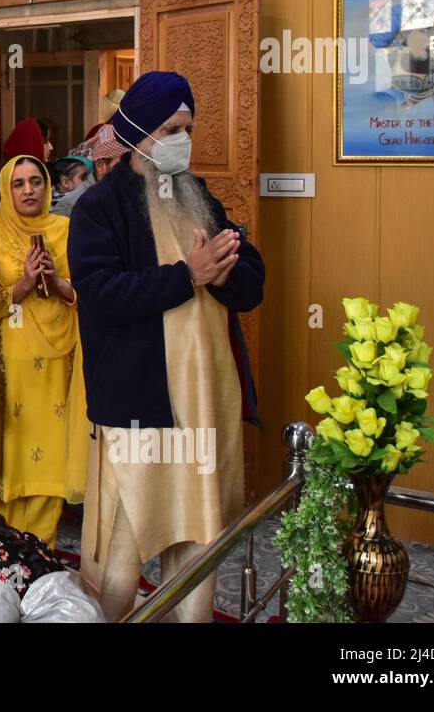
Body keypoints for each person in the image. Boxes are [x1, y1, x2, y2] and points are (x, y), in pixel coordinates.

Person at [68, 69, 265, 622]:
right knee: (126, 542)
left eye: (189, 128)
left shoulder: (197, 194)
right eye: (172, 129)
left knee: (198, 531)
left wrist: (224, 277)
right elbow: (101, 295)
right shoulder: (98, 208)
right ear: (138, 133)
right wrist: (187, 275)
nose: (183, 139)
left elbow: (251, 278)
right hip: (141, 407)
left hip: (205, 406)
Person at [0, 156, 88, 547]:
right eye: (19, 184)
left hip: (61, 360)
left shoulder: (70, 231)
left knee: (53, 451)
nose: (28, 190)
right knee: (14, 449)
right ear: (7, 190)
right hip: (13, 364)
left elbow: (90, 292)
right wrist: (22, 285)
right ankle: (8, 545)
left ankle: (41, 548)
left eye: (36, 181)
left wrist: (59, 282)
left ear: (48, 186)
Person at [0, 118, 55, 222]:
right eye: (45, 142)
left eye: (36, 183)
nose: (51, 147)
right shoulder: (7, 176)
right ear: (32, 144)